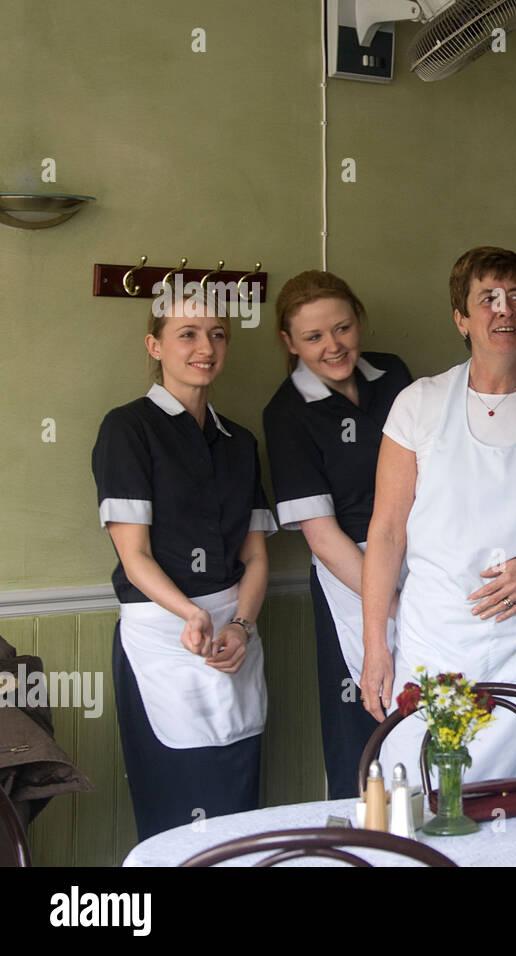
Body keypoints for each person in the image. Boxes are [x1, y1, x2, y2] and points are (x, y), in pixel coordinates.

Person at [360, 247, 516, 797]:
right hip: (437, 640)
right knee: (428, 802)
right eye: (488, 299)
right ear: (461, 318)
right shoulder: (417, 404)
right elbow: (386, 532)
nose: (505, 310)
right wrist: (376, 643)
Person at [92, 291, 276, 840]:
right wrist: (189, 616)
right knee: (177, 808)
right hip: (162, 636)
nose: (206, 346)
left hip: (235, 636)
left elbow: (257, 555)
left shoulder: (238, 441)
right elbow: (135, 555)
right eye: (188, 334)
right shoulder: (128, 430)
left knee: (239, 804)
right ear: (155, 345)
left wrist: (241, 625)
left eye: (217, 334)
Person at [261, 270, 413, 800]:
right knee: (366, 725)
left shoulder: (393, 376)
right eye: (313, 337)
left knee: (431, 723)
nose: (333, 346)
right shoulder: (287, 414)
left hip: (425, 559)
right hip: (351, 575)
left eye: (343, 328)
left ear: (360, 321)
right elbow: (321, 536)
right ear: (288, 342)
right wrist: (394, 604)